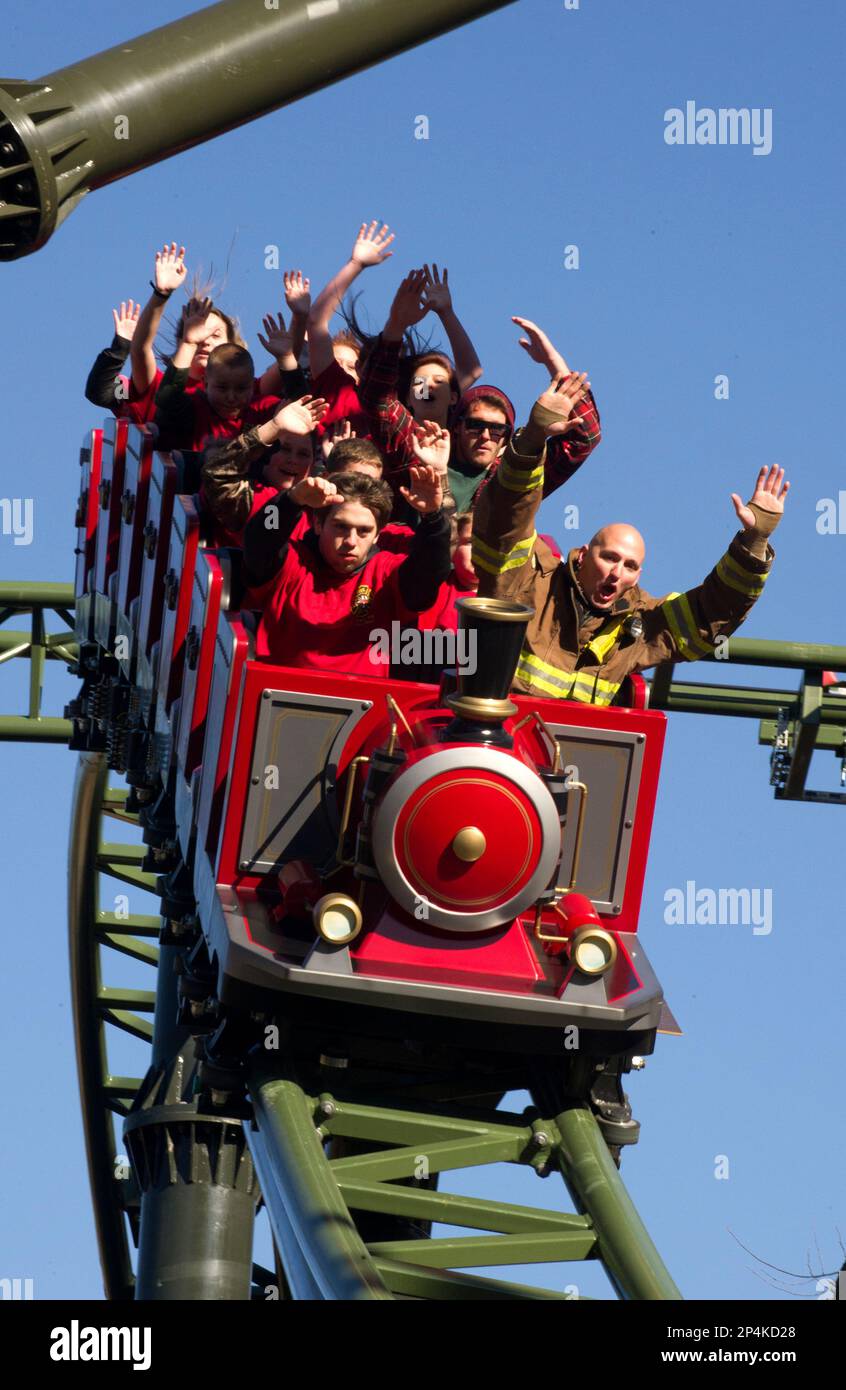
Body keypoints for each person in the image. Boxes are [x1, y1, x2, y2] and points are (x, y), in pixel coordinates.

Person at [473, 375, 790, 705]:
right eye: (609, 557)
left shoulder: (639, 622)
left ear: (637, 576)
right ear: (581, 556)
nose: (617, 572)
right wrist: (532, 440)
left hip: (569, 756)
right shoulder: (528, 580)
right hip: (497, 746)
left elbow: (707, 617)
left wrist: (754, 540)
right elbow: (504, 523)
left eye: (630, 566)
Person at [242, 467, 450, 676]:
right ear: (317, 524)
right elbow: (258, 539)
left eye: (363, 531)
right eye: (341, 527)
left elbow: (429, 573)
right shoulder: (292, 562)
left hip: (363, 701)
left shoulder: (385, 572)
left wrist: (433, 518)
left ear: (378, 535)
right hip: (276, 695)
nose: (351, 541)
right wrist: (291, 500)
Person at [154, 300, 284, 451]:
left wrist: (297, 327)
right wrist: (188, 343)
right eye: (222, 388)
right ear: (206, 383)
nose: (231, 397)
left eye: (215, 335)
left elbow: (300, 409)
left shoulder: (257, 405)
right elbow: (167, 399)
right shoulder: (192, 405)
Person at [199, 395, 328, 548]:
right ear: (265, 454)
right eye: (284, 450)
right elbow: (216, 473)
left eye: (303, 454)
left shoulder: (317, 505)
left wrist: (340, 469)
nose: (293, 460)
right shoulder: (248, 497)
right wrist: (274, 427)